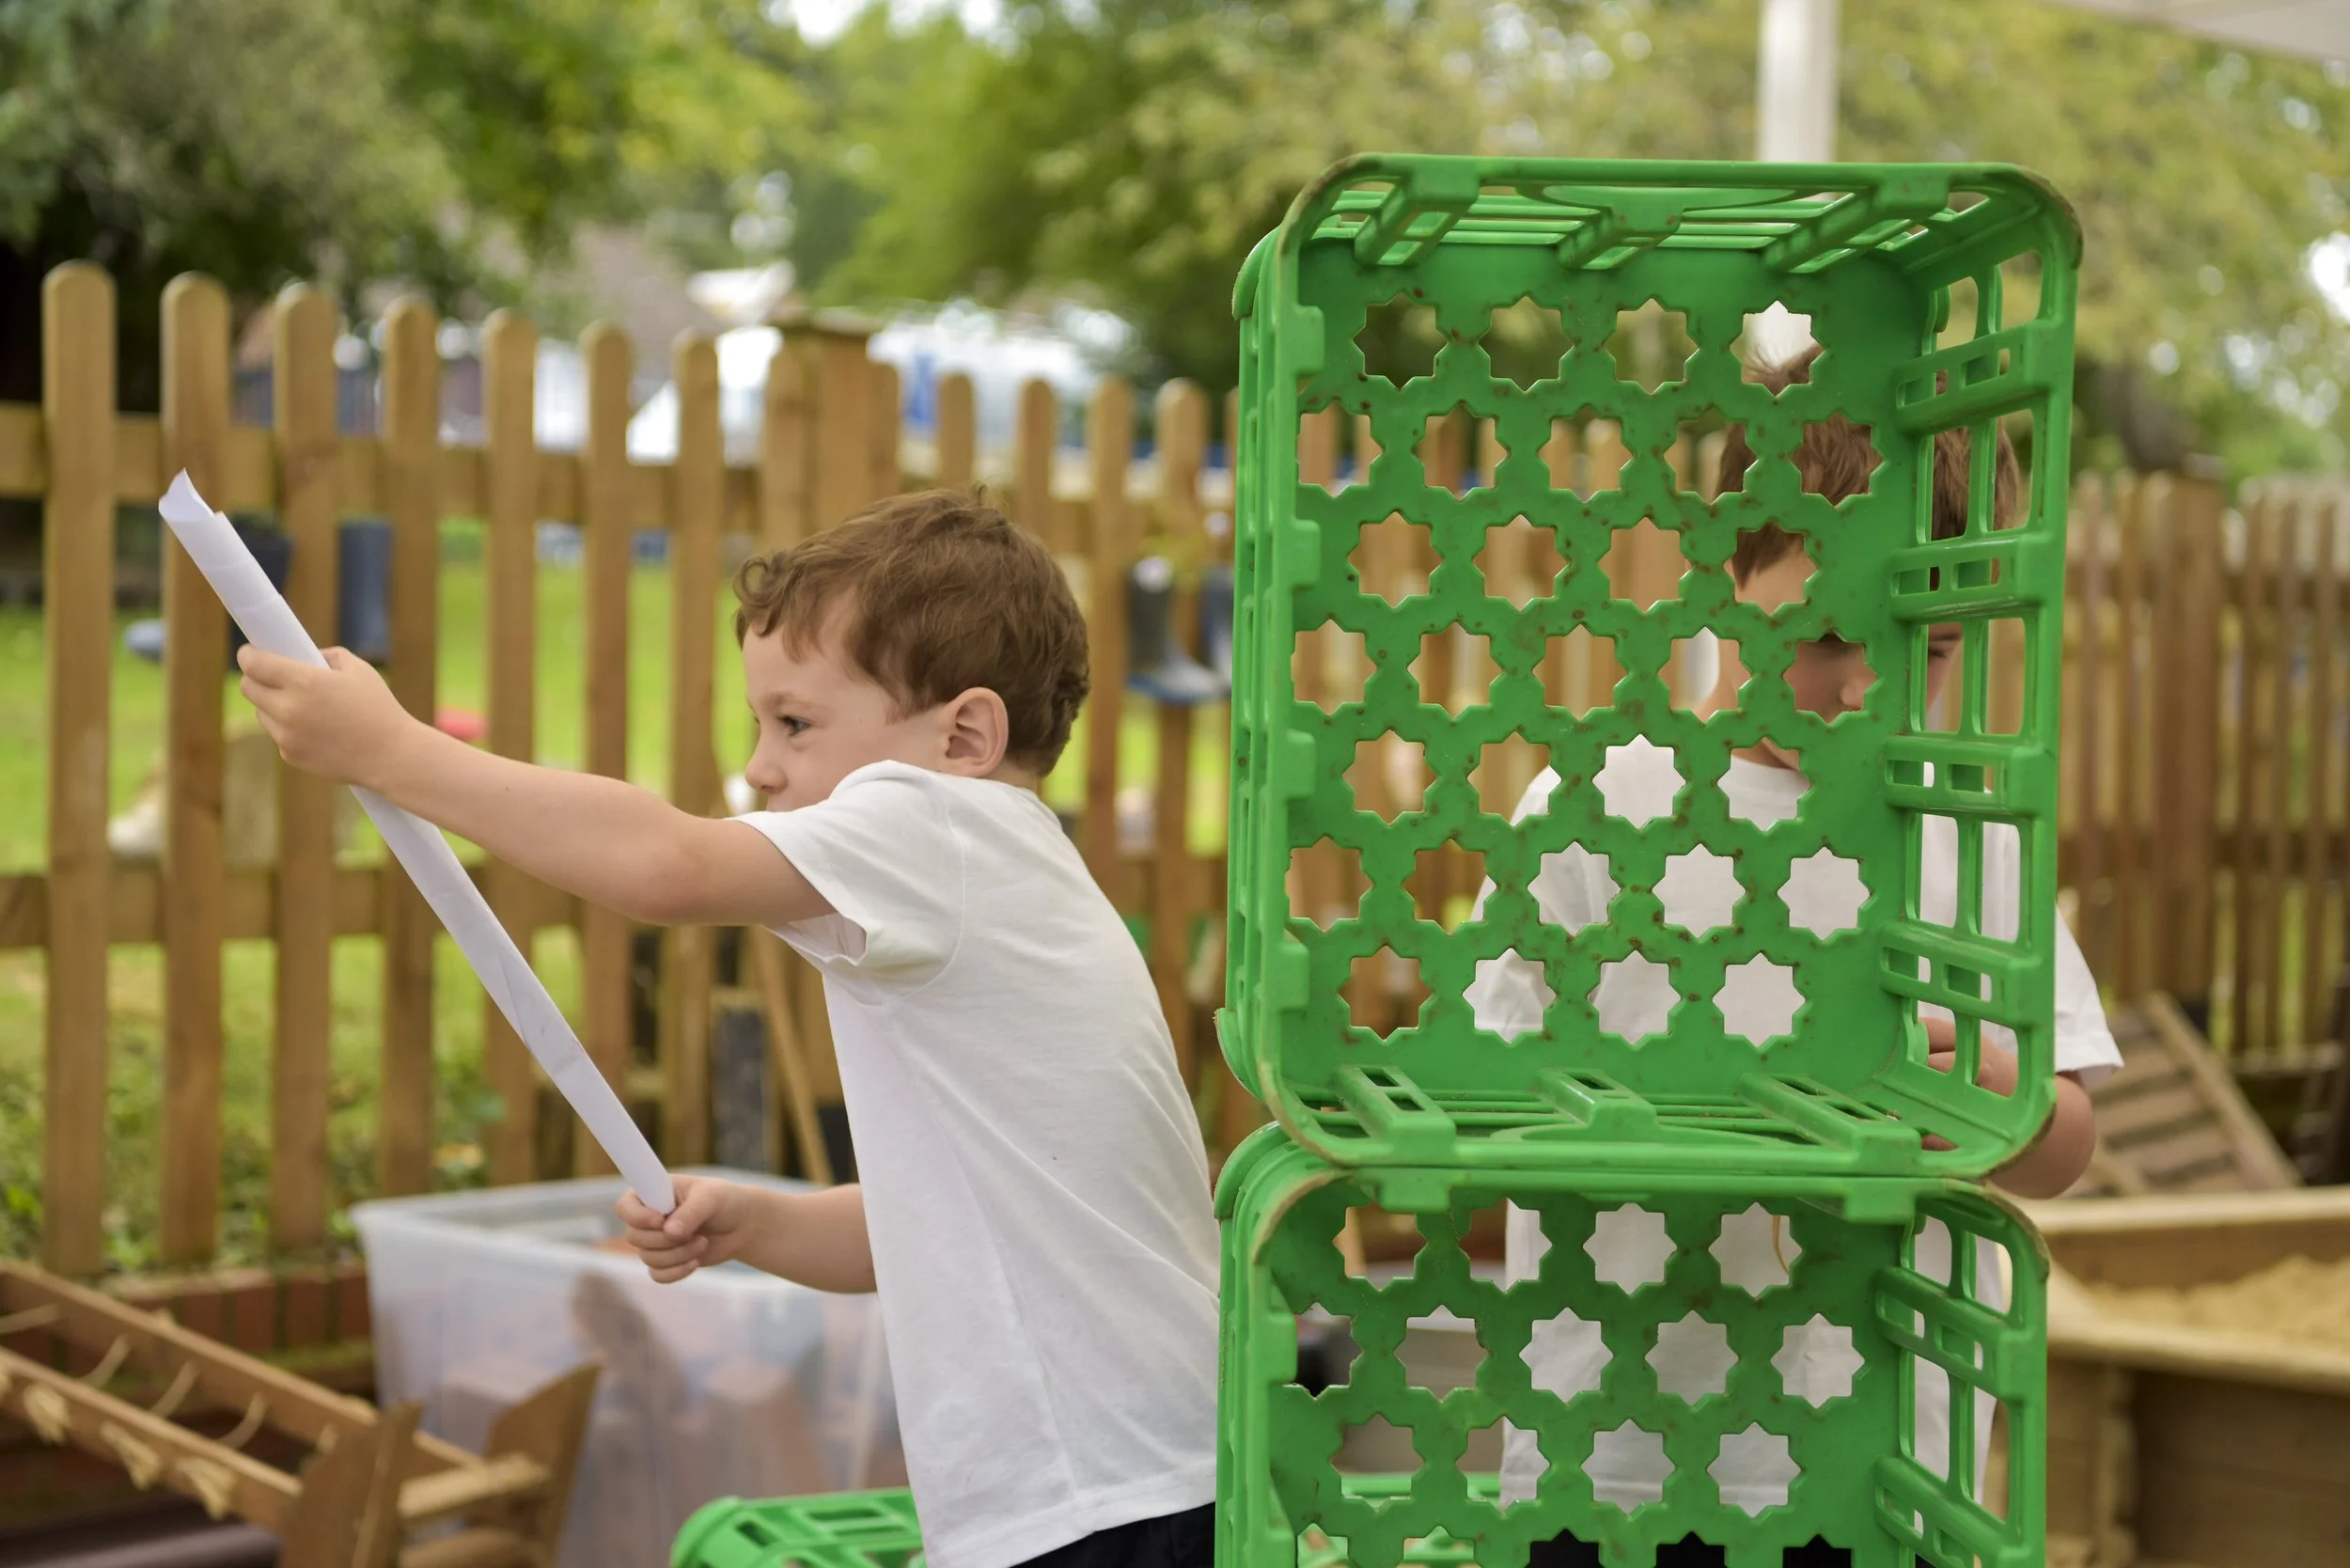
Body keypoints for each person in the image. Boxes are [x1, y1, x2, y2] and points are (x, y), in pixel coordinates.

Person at [235, 490, 1219, 1568]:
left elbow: (667, 866)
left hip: (1094, 1497)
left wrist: (392, 751)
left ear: (965, 736)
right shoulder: (1003, 874)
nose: (759, 765)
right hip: (1140, 1476)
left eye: (795, 724)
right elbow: (937, 1228)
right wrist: (757, 1226)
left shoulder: (939, 822)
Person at [1462, 352, 2121, 1561]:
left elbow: (2064, 1138)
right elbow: (1481, 1096)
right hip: (1618, 1447)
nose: (1864, 683)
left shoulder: (1965, 837)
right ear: (1724, 581)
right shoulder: (1603, 805)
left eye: (1917, 648)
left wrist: (1979, 1086)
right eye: (1821, 637)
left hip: (1880, 1452)